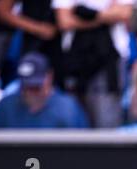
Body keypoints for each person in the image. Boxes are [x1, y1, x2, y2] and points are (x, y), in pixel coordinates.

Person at [51, 0, 128, 128]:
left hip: (110, 60)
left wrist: (84, 13)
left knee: (106, 123)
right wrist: (105, 16)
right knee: (75, 122)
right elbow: (64, 21)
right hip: (76, 58)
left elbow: (125, 13)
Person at [0, 51, 90, 127]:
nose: (30, 92)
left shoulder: (67, 109)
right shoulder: (6, 106)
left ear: (49, 77)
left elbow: (80, 151)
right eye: (26, 87)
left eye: (35, 87)